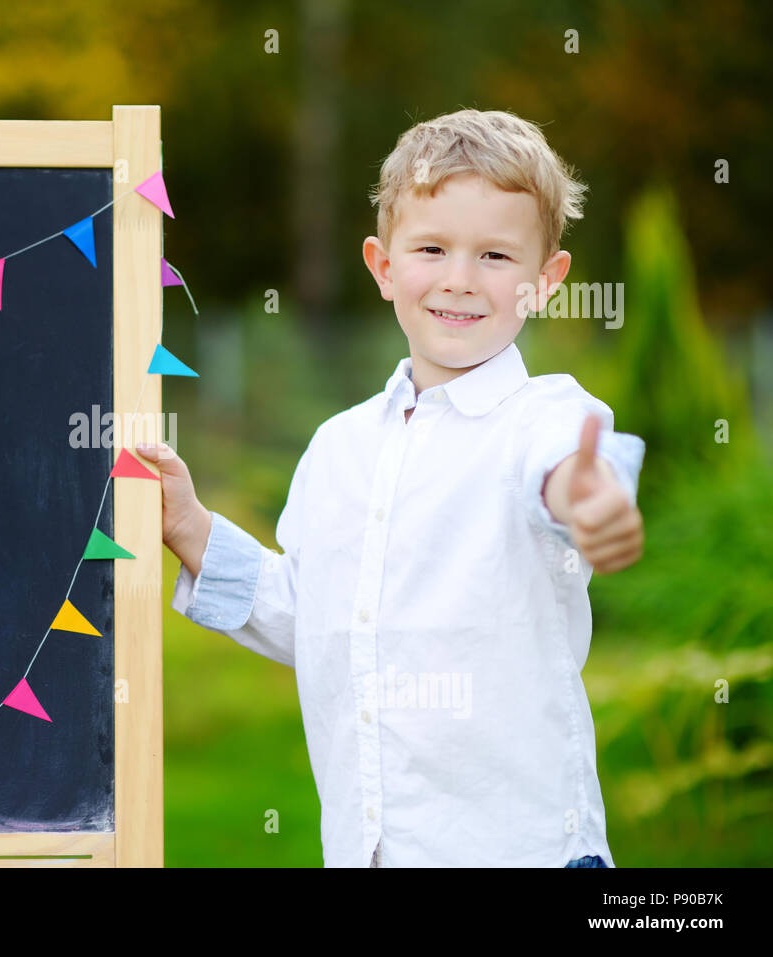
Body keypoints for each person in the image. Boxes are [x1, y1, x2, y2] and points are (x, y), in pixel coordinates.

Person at [136, 108, 645, 867]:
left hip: (521, 848)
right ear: (382, 266)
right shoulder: (338, 446)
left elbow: (566, 470)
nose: (460, 280)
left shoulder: (543, 416)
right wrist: (193, 532)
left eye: (497, 256)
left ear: (545, 281)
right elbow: (314, 617)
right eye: (432, 248)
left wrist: (588, 497)